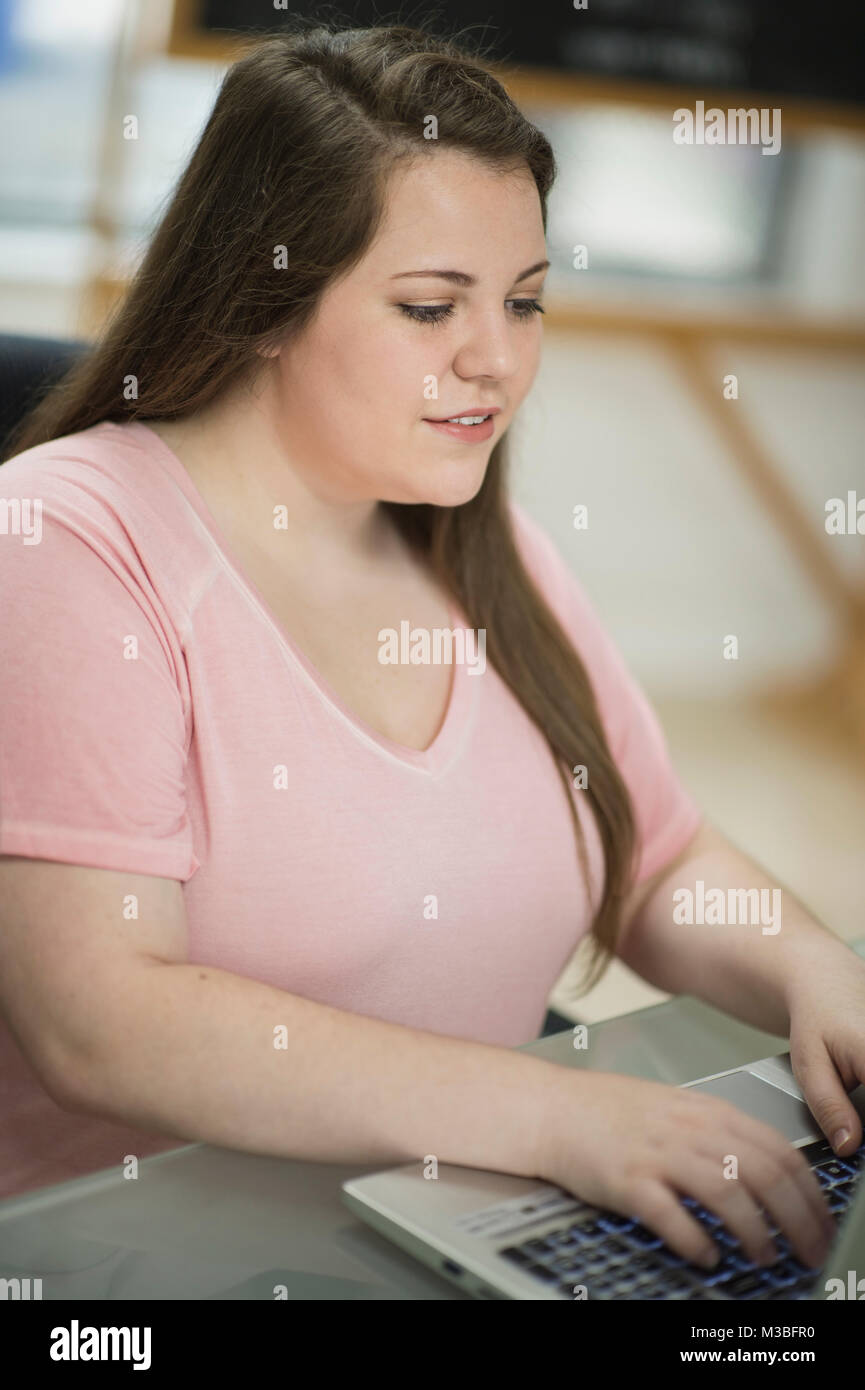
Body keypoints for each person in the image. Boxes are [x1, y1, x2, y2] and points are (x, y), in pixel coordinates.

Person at [0, 22, 855, 1279]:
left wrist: (816, 968)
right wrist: (560, 1114)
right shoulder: (66, 536)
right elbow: (102, 1020)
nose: (497, 360)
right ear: (265, 299)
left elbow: (656, 852)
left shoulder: (472, 545)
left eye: (522, 302)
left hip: (466, 1227)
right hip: (146, 1265)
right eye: (428, 307)